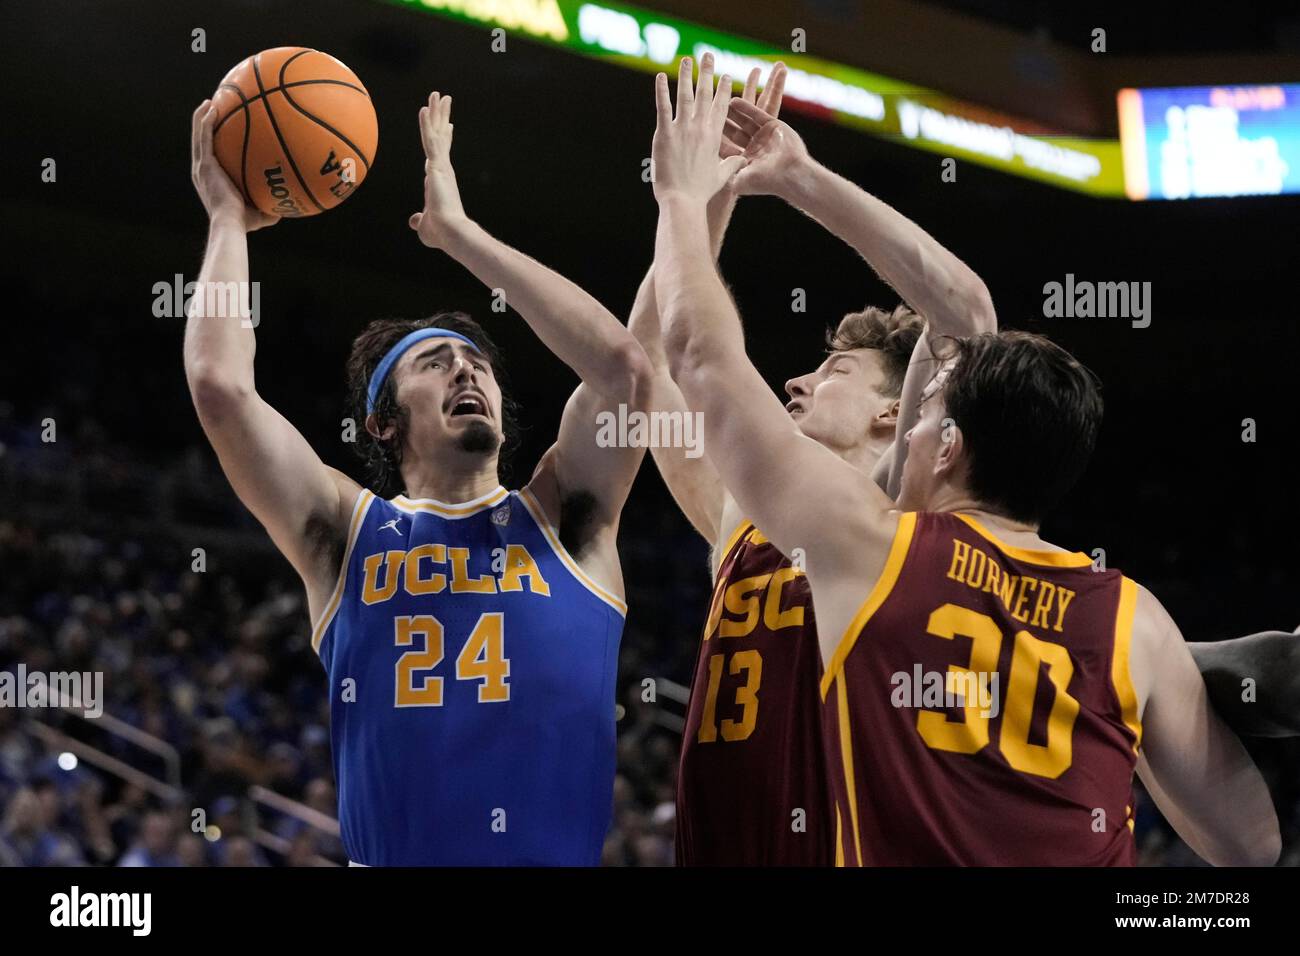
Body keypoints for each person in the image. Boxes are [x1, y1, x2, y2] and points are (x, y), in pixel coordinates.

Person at [649, 57, 1281, 865]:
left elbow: (701, 354)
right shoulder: (1134, 618)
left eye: (922, 418)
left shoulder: (874, 540)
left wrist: (686, 194)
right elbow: (1253, 849)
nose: (798, 382)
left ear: (931, 434)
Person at [185, 90, 651, 865]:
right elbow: (220, 388)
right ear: (383, 422)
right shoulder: (346, 531)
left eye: (478, 364)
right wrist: (228, 220)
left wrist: (461, 237)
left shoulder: (568, 514)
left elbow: (624, 370)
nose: (467, 371)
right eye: (437, 364)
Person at [630, 56, 994, 864]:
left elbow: (965, 314)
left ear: (891, 413)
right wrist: (708, 196)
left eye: (834, 372)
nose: (797, 379)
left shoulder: (907, 500)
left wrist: (800, 177)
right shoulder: (741, 510)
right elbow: (648, 367)